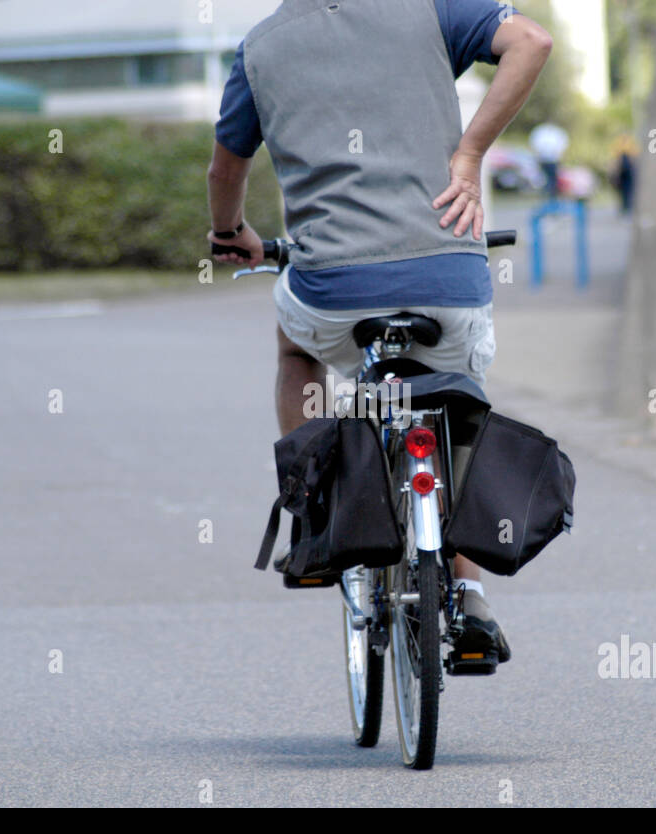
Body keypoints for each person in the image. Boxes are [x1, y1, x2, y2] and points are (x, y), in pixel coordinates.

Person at [206, 0, 553, 665]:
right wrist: (468, 156)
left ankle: (312, 511)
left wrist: (230, 232)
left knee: (295, 348)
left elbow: (226, 171)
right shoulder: (433, 9)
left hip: (333, 292)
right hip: (448, 283)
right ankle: (471, 595)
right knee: (453, 399)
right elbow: (532, 42)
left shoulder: (260, 48)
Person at [529, 121, 568, 199]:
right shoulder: (542, 132)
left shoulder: (555, 132)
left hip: (553, 159)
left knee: (552, 177)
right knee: (544, 177)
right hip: (543, 158)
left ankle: (551, 192)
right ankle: (547, 192)